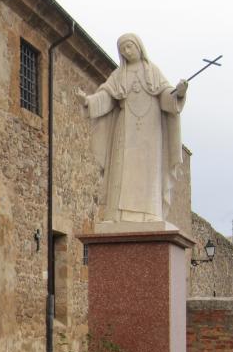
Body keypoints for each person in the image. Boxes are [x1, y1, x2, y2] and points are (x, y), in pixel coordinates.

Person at [77, 33, 187, 224]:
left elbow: (166, 98)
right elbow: (107, 97)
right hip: (125, 129)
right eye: (123, 50)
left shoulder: (152, 71)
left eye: (129, 47)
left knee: (149, 172)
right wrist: (88, 101)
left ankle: (151, 214)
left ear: (138, 47)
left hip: (150, 132)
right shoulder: (119, 75)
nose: (127, 52)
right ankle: (117, 216)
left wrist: (179, 92)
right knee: (121, 169)